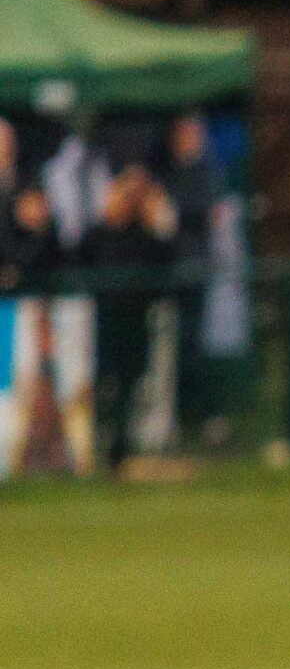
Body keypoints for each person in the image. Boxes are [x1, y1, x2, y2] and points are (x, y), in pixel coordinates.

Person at [83, 165, 177, 475]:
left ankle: (117, 453)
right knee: (100, 385)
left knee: (127, 387)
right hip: (102, 322)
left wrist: (158, 218)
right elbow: (81, 259)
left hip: (135, 322)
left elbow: (168, 262)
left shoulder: (146, 236)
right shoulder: (100, 232)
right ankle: (92, 449)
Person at [163, 113, 225, 443]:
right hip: (168, 269)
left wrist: (174, 213)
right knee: (171, 345)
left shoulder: (207, 170)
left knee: (192, 342)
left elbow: (206, 213)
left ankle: (209, 414)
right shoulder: (171, 171)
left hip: (194, 269)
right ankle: (171, 417)